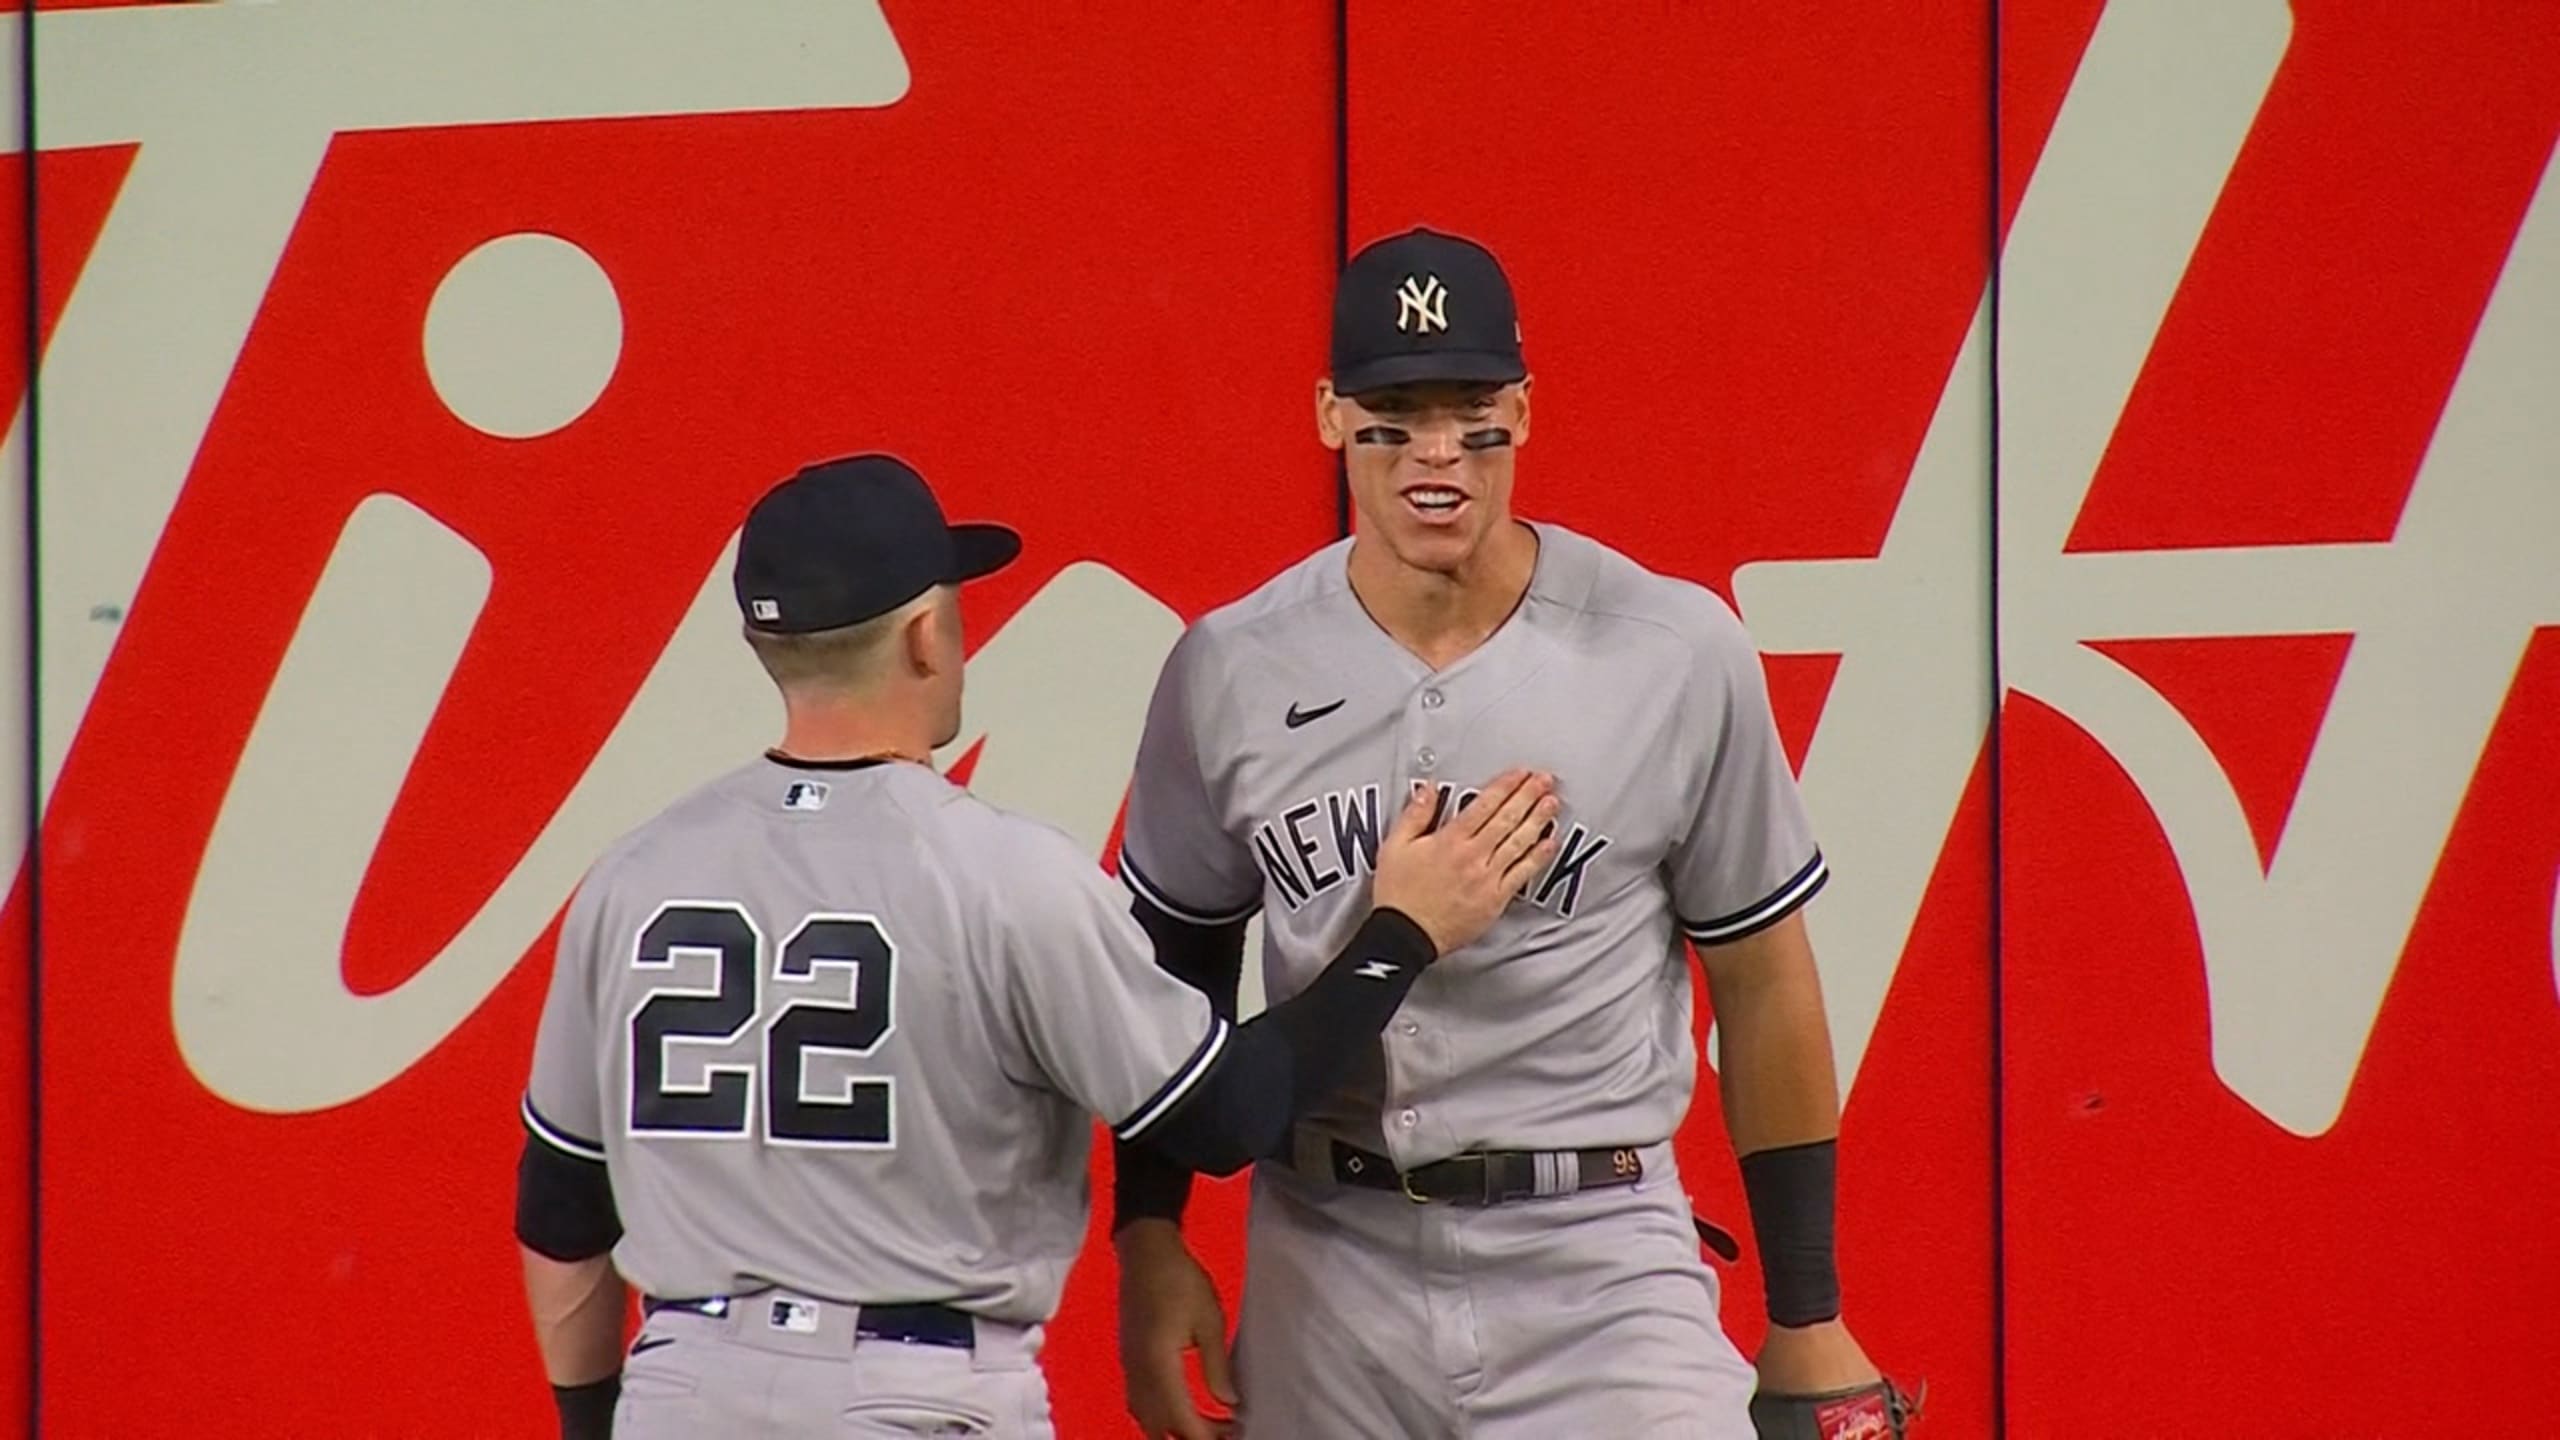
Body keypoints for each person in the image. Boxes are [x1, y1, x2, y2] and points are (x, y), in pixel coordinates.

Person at [510, 451, 1566, 1440]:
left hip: (685, 1387)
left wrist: (596, 1416)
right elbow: (1226, 1112)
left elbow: (561, 1222)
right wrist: (1403, 932)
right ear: (926, 633)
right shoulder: (1003, 874)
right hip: (912, 1393)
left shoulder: (631, 878)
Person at [1110, 229, 1911, 1439]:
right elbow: (1175, 962)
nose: (1437, 452)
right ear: (1329, 415)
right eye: (1394, 410)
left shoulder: (1670, 649)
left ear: (1524, 413)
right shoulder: (1228, 665)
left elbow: (1762, 979)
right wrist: (1150, 1231)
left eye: (1469, 409)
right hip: (1327, 1264)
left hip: (1595, 1257)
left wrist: (1805, 1305)